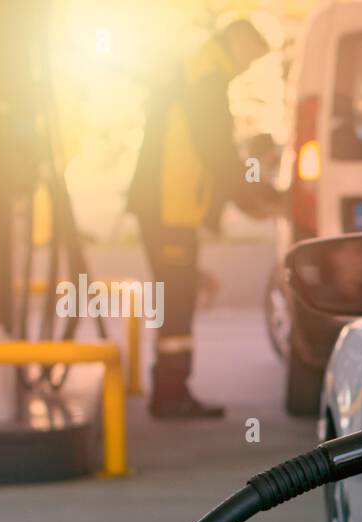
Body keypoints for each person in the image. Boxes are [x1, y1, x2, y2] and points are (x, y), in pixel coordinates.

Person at [128, 19, 282, 418]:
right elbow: (217, 153)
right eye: (250, 58)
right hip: (168, 209)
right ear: (237, 43)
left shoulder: (196, 73)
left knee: (177, 296)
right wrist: (255, 201)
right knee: (177, 301)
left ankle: (170, 389)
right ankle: (170, 395)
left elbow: (207, 154)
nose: (248, 68)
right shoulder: (206, 81)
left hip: (167, 207)